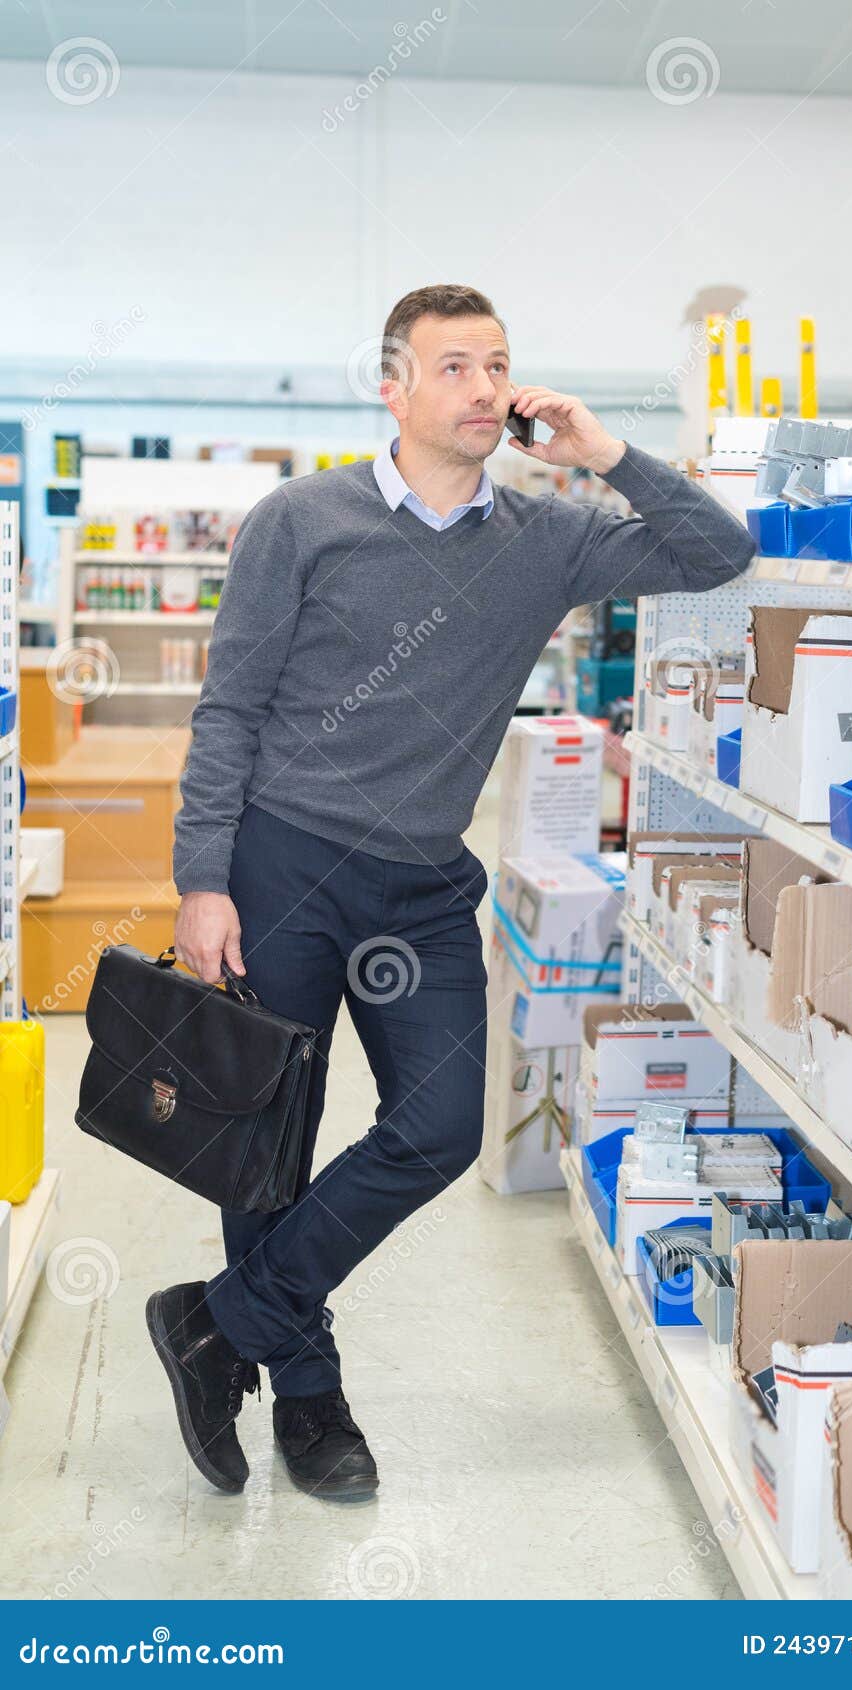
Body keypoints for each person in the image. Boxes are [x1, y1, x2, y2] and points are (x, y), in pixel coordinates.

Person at [146, 283, 756, 1500]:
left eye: (499, 366)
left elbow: (718, 553)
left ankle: (220, 1325)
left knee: (436, 1130)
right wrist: (202, 879)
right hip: (286, 865)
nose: (483, 389)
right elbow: (231, 710)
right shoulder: (298, 520)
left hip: (422, 882)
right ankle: (309, 1405)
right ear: (395, 388)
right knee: (269, 1146)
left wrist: (604, 452)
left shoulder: (549, 533)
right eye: (455, 367)